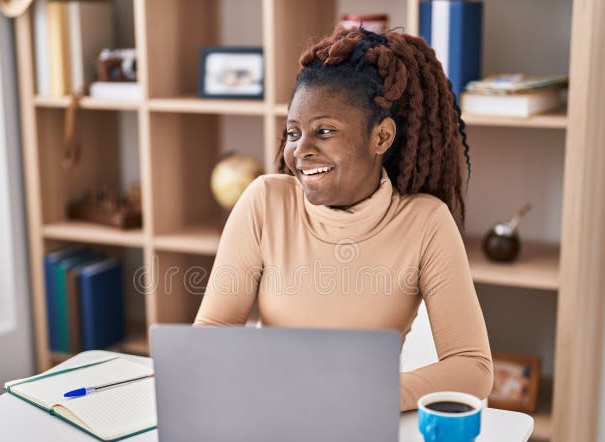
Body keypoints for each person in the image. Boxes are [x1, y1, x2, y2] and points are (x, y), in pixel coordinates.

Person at [194, 27, 493, 411]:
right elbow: (213, 333)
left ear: (381, 138)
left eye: (324, 131)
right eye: (293, 132)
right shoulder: (265, 202)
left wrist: (366, 395)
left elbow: (473, 368)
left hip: (362, 421)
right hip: (270, 411)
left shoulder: (425, 223)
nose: (300, 151)